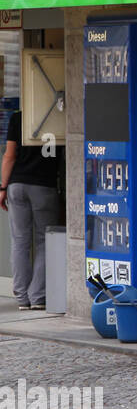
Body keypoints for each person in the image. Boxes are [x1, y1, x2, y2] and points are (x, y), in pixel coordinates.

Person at [0, 110, 61, 311]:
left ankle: (21, 296)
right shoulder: (57, 117)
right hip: (45, 186)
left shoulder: (19, 117)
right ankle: (37, 296)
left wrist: (2, 187)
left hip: (16, 185)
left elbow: (9, 156)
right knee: (44, 241)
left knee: (20, 241)